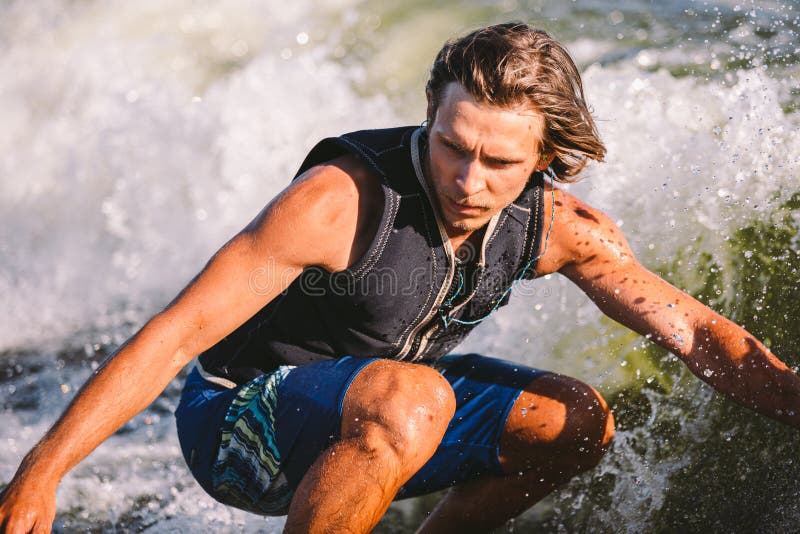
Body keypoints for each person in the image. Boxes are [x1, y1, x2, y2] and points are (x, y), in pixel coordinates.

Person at [1, 21, 798, 534]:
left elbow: (692, 329)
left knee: (575, 421)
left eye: (500, 162)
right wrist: (43, 472)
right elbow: (175, 335)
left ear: (547, 160)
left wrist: (787, 394)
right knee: (415, 394)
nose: (468, 179)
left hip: (381, 414)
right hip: (235, 422)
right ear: (430, 112)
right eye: (453, 145)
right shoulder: (338, 201)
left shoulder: (558, 228)